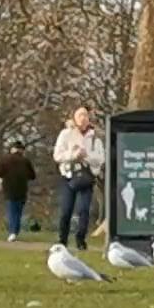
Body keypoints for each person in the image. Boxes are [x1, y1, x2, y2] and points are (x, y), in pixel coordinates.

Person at [52, 106, 105, 250]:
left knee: (84, 210)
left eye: (86, 115)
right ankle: (62, 239)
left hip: (87, 177)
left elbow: (100, 159)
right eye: (80, 115)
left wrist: (86, 156)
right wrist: (73, 156)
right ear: (74, 118)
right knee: (66, 211)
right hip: (69, 176)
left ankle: (80, 240)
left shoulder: (95, 137)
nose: (83, 118)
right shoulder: (66, 134)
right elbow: (57, 155)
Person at [0, 138, 37, 242]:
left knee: (11, 211)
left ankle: (12, 232)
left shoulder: (4, 160)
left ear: (12, 149)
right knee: (18, 212)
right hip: (22, 189)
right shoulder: (25, 161)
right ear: (22, 150)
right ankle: (15, 231)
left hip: (9, 188)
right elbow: (32, 176)